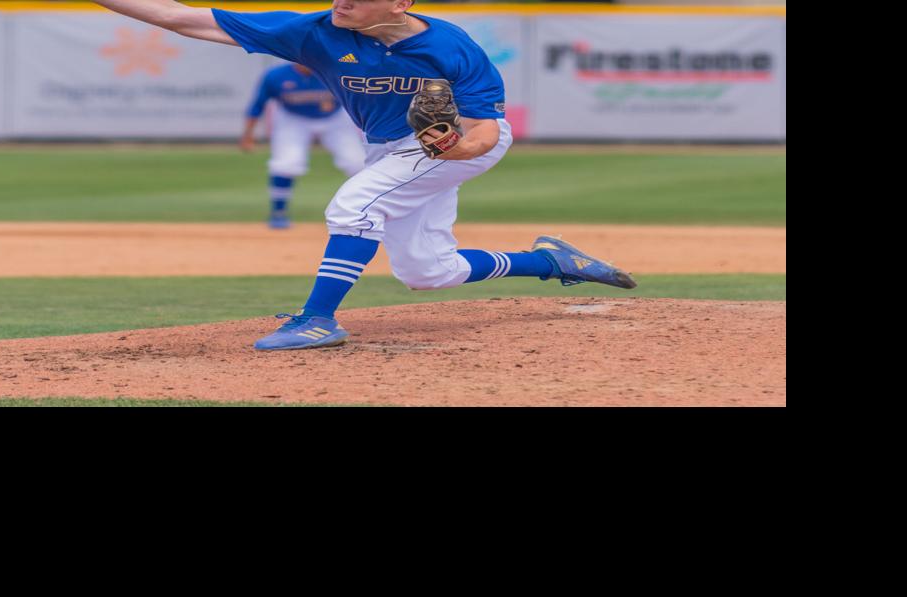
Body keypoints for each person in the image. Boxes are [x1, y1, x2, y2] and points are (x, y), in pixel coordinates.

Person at [91, 0, 636, 351]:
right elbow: (180, 18)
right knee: (427, 271)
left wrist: (453, 150)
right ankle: (550, 261)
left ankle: (318, 319)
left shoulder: (450, 47)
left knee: (356, 206)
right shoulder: (315, 32)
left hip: (460, 143)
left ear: (401, 3)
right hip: (392, 148)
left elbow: (486, 132)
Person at [241, 63, 367, 229]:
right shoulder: (276, 76)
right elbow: (257, 105)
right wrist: (248, 134)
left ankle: (367, 211)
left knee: (357, 163)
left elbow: (362, 98)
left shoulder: (334, 70)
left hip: (335, 119)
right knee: (286, 163)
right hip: (293, 119)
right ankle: (278, 212)